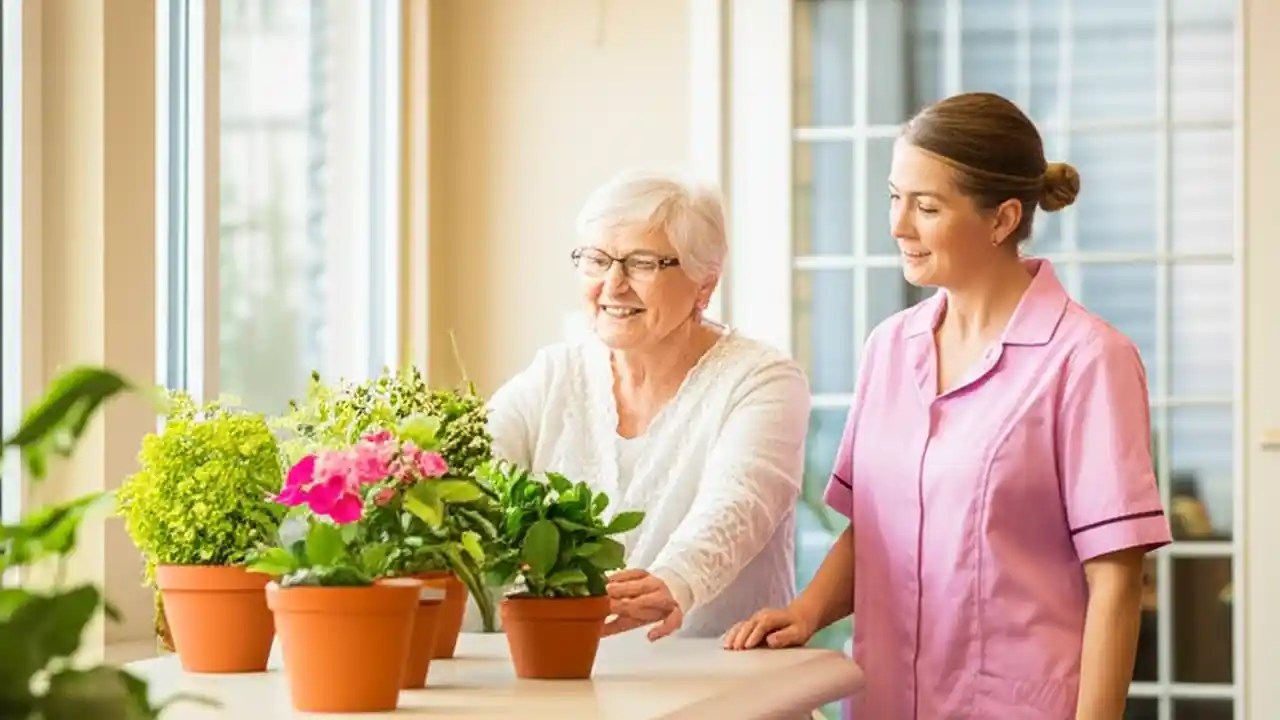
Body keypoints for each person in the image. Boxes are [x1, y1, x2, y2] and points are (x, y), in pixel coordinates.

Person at [724, 92, 1172, 719]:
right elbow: (874, 528)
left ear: (1002, 219)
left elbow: (1117, 581)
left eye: (927, 207)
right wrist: (805, 613)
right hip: (883, 702)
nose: (898, 225)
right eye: (894, 197)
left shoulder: (1088, 360)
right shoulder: (889, 348)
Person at [486, 169, 809, 640]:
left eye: (641, 263)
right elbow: (474, 470)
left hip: (725, 689)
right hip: (569, 678)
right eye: (596, 259)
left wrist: (676, 580)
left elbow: (739, 503)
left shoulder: (762, 380)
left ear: (704, 285)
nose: (612, 285)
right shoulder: (554, 375)